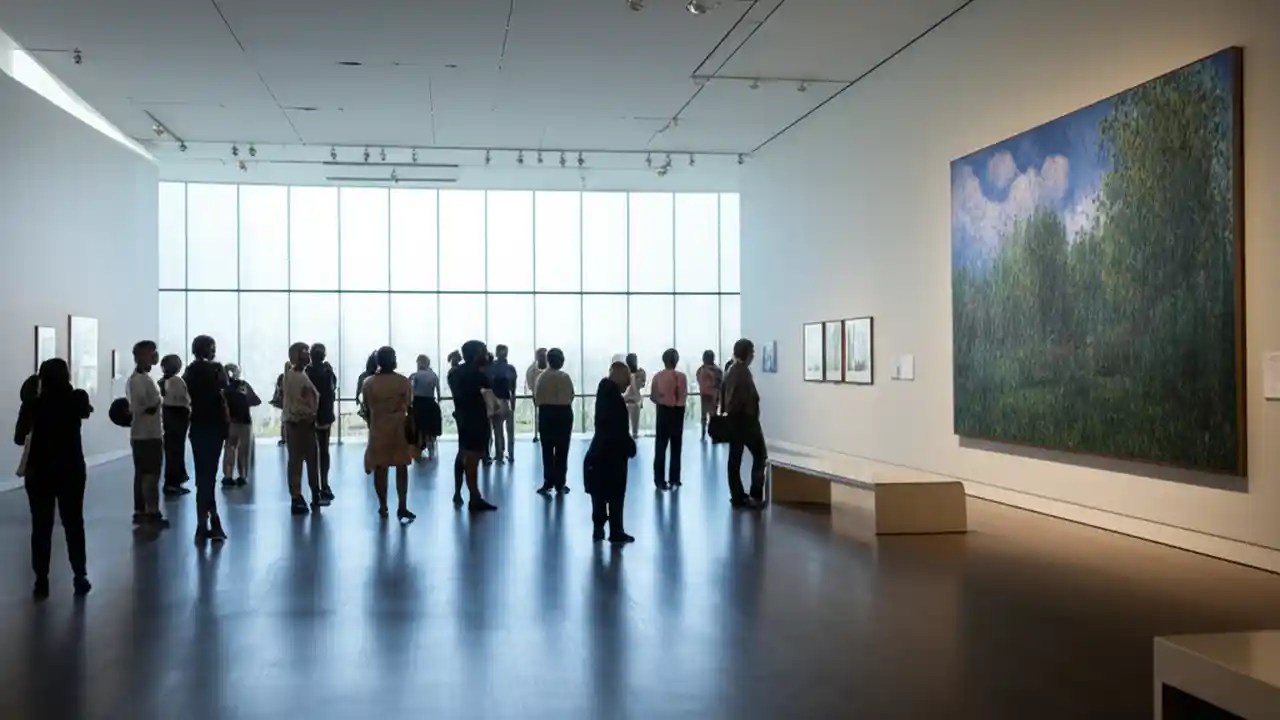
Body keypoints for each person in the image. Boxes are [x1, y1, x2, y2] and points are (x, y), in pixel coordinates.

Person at [14, 359, 94, 598]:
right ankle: (80, 576)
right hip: (71, 469)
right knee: (73, 523)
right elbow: (85, 410)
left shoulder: (34, 404)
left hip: (39, 471)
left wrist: (28, 400)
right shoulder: (76, 398)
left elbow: (19, 438)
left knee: (41, 525)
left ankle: (41, 580)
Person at [584, 362, 637, 544]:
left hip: (600, 452)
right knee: (615, 493)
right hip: (612, 454)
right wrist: (629, 444)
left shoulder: (605, 392)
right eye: (627, 378)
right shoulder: (612, 396)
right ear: (619, 375)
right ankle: (616, 530)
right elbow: (616, 427)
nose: (628, 384)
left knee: (599, 494)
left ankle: (599, 528)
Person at [363, 346, 417, 522]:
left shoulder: (369, 382)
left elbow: (366, 405)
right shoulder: (403, 381)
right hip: (399, 427)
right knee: (401, 466)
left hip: (378, 427)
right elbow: (409, 403)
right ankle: (402, 506)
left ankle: (383, 506)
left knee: (380, 467)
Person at [184, 335, 229, 541]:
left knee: (203, 477)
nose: (214, 351)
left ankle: (204, 522)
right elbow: (225, 386)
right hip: (214, 426)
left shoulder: (189, 371)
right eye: (212, 347)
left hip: (198, 425)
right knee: (209, 476)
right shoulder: (216, 368)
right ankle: (211, 521)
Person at [447, 341, 498, 512]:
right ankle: (474, 497)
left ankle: (458, 491)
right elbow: (491, 390)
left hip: (462, 418)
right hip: (477, 419)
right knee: (473, 458)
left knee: (463, 453)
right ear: (477, 354)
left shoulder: (455, 373)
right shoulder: (479, 375)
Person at [722, 338, 767, 510]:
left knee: (735, 458)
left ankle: (738, 495)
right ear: (746, 353)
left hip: (737, 421)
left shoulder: (731, 369)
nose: (754, 355)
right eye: (752, 352)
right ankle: (754, 494)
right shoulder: (740, 371)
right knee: (759, 455)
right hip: (745, 422)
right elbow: (738, 399)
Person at [127, 341, 168, 527]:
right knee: (150, 473)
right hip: (147, 434)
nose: (155, 356)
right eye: (152, 353)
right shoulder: (139, 380)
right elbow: (142, 408)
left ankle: (142, 509)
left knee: (143, 473)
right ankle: (151, 511)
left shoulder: (143, 378)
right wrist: (159, 402)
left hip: (146, 433)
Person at [282, 344, 324, 515]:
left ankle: (314, 492)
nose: (308, 355)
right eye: (304, 352)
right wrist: (308, 413)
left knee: (311, 459)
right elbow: (302, 400)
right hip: (298, 424)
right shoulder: (294, 376)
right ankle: (297, 497)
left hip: (305, 423)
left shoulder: (300, 375)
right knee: (297, 461)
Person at [534, 348, 575, 495]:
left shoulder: (541, 377)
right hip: (564, 413)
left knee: (547, 449)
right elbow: (571, 396)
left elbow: (537, 398)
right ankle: (560, 482)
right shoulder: (565, 377)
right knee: (562, 449)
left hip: (546, 414)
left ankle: (548, 482)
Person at [650, 348, 688, 490]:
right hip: (678, 412)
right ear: (676, 361)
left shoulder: (658, 377)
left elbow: (653, 397)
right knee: (676, 446)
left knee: (660, 446)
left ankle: (659, 480)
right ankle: (674, 479)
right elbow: (683, 396)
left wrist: (662, 399)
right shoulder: (682, 376)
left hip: (663, 411)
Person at [219, 364, 260, 487]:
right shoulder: (243, 385)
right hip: (244, 421)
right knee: (244, 450)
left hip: (230, 422)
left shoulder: (222, 388)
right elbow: (255, 400)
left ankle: (228, 475)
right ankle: (242, 475)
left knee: (229, 448)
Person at [306, 343, 338, 501]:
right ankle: (324, 484)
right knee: (324, 451)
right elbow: (332, 390)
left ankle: (316, 487)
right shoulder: (328, 372)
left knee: (312, 452)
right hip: (325, 414)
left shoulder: (306, 372)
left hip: (310, 415)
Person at [159, 354, 191, 495]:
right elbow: (184, 399)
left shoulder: (160, 382)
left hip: (168, 417)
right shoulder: (177, 382)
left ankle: (173, 482)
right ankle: (173, 483)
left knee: (172, 450)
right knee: (176, 451)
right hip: (178, 417)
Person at [486, 344, 518, 464]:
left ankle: (499, 454)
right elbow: (513, 388)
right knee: (510, 431)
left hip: (494, 401)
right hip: (506, 401)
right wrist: (513, 402)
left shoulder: (491, 368)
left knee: (497, 430)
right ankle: (511, 454)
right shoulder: (510, 369)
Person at [409, 355, 442, 461]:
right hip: (430, 402)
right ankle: (431, 446)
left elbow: (411, 391)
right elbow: (438, 392)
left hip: (418, 403)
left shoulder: (414, 376)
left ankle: (418, 447)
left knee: (418, 427)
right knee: (430, 427)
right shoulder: (433, 375)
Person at [696, 350, 724, 441]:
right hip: (714, 396)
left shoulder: (700, 370)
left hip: (705, 395)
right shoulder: (717, 370)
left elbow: (699, 380)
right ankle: (713, 436)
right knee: (713, 417)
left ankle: (703, 435)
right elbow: (721, 383)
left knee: (704, 417)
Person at [526, 348, 547, 443]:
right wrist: (535, 391)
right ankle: (540, 433)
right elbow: (530, 382)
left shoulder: (550, 368)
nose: (543, 357)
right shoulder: (531, 369)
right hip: (538, 395)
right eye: (541, 355)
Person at [624, 353, 647, 439]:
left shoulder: (631, 373)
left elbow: (640, 385)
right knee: (632, 427)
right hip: (632, 399)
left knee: (630, 426)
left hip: (629, 399)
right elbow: (641, 385)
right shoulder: (638, 373)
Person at [270, 372, 286, 446]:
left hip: (286, 404)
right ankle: (284, 438)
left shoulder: (282, 377)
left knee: (284, 420)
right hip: (288, 404)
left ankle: (284, 438)